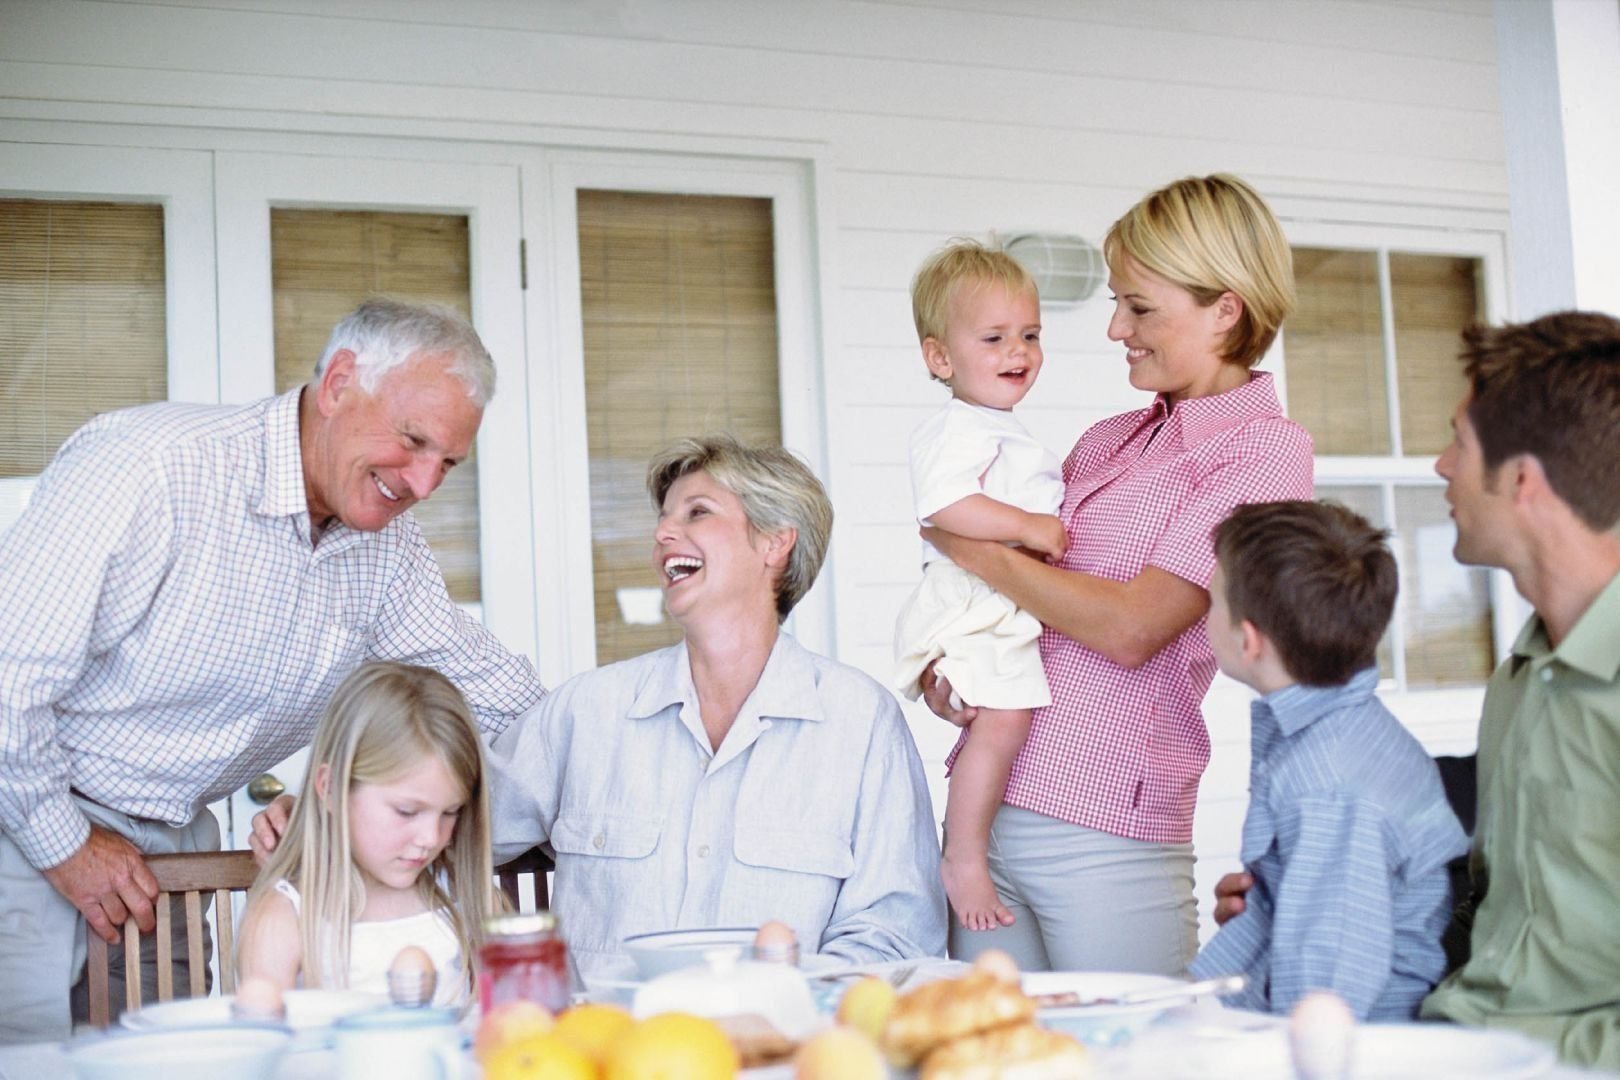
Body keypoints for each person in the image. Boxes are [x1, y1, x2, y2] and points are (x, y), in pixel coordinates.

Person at [0, 298, 545, 1041]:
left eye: (445, 463)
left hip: (169, 846)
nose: (422, 484)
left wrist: (333, 807)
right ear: (340, 383)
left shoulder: (388, 549)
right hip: (22, 813)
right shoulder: (150, 465)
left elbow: (494, 694)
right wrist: (63, 841)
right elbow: (7, 676)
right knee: (25, 1057)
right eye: (412, 441)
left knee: (179, 1058)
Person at [923, 173, 1313, 973]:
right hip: (988, 806)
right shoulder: (1107, 439)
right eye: (1116, 303)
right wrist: (952, 664)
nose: (1114, 329)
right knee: (990, 1058)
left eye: (1139, 306)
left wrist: (975, 548)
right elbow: (1020, 598)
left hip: (1105, 826)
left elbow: (1134, 626)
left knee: (1133, 1059)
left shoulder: (1263, 450)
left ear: (1224, 309)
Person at [489, 435, 947, 986]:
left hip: (780, 1047)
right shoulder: (585, 711)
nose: (662, 534)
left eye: (697, 512)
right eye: (663, 518)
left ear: (775, 544)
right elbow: (439, 836)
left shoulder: (861, 720)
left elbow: (897, 934)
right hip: (605, 1052)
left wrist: (774, 999)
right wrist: (501, 954)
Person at [1415, 312, 1620, 1068]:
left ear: (1523, 481)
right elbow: (1496, 915)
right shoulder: (1519, 679)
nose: (1441, 466)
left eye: (1459, 444)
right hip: (1456, 1039)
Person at [1187, 500, 1466, 1019]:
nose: (1204, 617)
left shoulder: (1328, 787)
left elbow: (1322, 995)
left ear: (1248, 641)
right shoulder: (1339, 731)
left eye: (1211, 603)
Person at [891, 240, 1067, 932]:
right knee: (1002, 722)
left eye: (1029, 335)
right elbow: (944, 506)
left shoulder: (995, 425)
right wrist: (1029, 524)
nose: (1016, 351)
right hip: (973, 604)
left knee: (1002, 721)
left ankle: (967, 847)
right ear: (940, 358)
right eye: (992, 338)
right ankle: (962, 854)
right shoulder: (955, 428)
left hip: (993, 603)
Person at [238, 662, 497, 1006]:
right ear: (330, 789)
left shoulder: (469, 901)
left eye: (450, 812)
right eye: (407, 811)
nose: (431, 837)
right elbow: (267, 1046)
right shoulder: (285, 918)